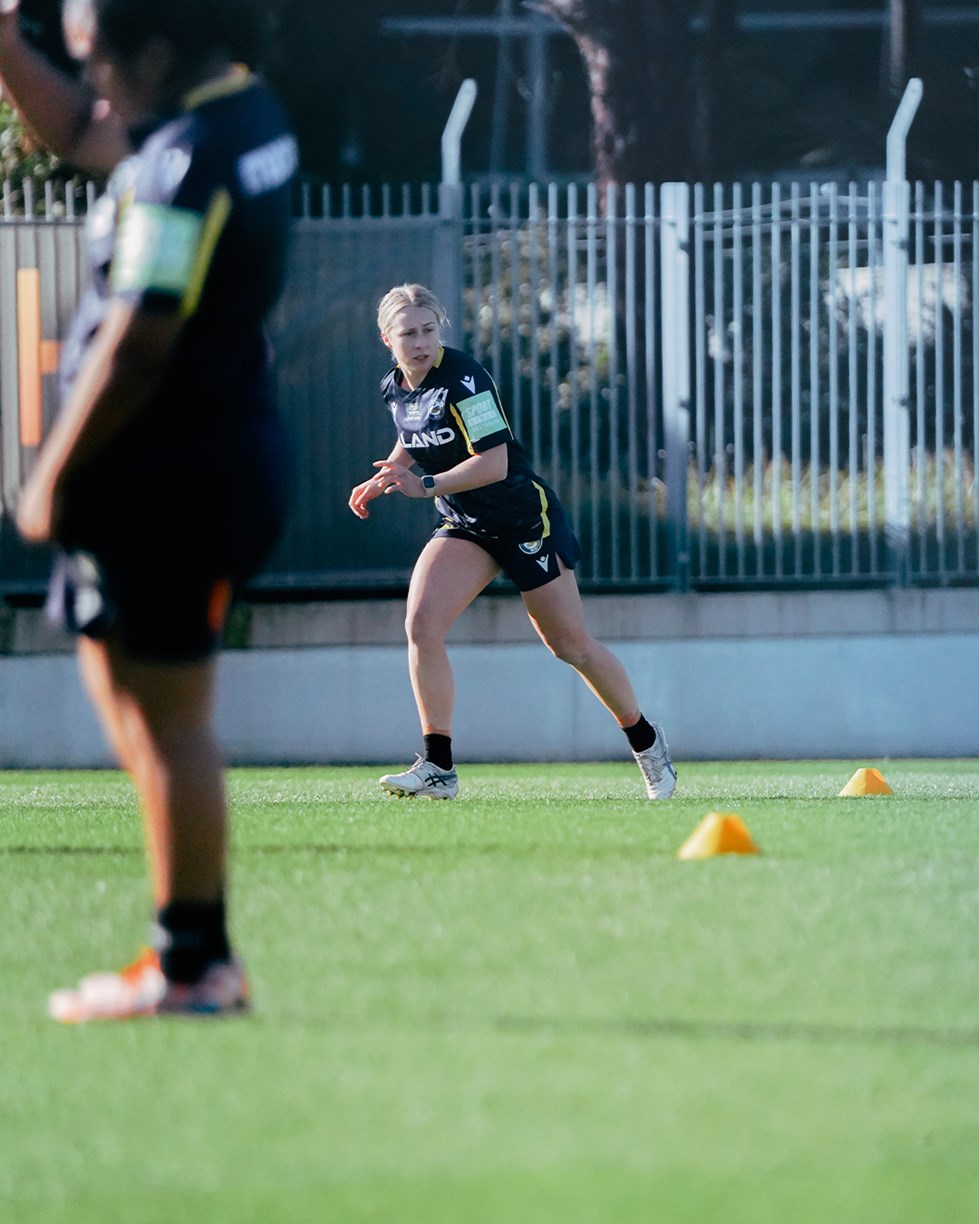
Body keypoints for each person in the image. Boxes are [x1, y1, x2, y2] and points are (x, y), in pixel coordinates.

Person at [0, 0, 297, 1020]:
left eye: (94, 58)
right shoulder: (235, 108)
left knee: (170, 724)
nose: (89, 82)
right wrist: (7, 48)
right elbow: (83, 133)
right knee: (132, 703)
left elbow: (139, 340)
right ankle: (186, 954)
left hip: (179, 476)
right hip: (165, 474)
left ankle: (193, 966)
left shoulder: (189, 160)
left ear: (157, 56)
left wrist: (46, 474)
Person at [349, 284, 677, 802]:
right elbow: (415, 433)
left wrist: (426, 486)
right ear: (386, 338)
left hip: (524, 520)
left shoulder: (465, 378)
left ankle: (648, 742)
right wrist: (393, 470)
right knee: (421, 624)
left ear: (441, 329)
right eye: (408, 333)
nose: (420, 342)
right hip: (465, 523)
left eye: (429, 330)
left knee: (569, 645)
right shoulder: (394, 386)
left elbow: (494, 464)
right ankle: (438, 767)